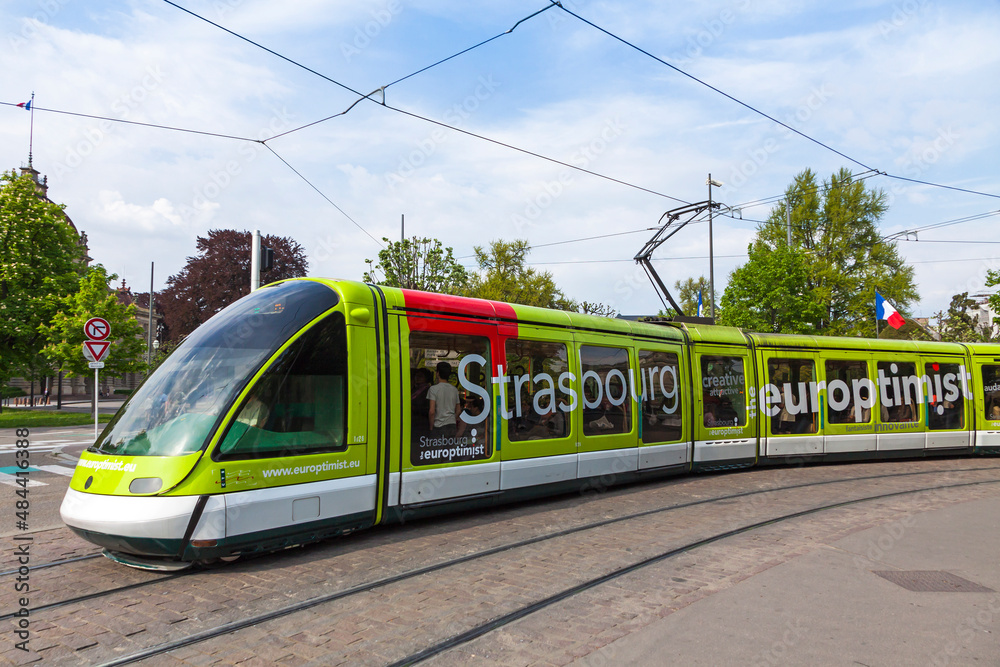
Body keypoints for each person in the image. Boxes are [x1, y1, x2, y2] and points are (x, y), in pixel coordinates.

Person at [428, 362, 461, 437]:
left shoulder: (433, 389)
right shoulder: (454, 389)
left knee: (437, 448)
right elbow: (458, 410)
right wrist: (451, 418)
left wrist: (431, 427)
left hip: (438, 426)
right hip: (452, 425)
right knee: (449, 448)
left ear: (438, 373)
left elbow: (432, 411)